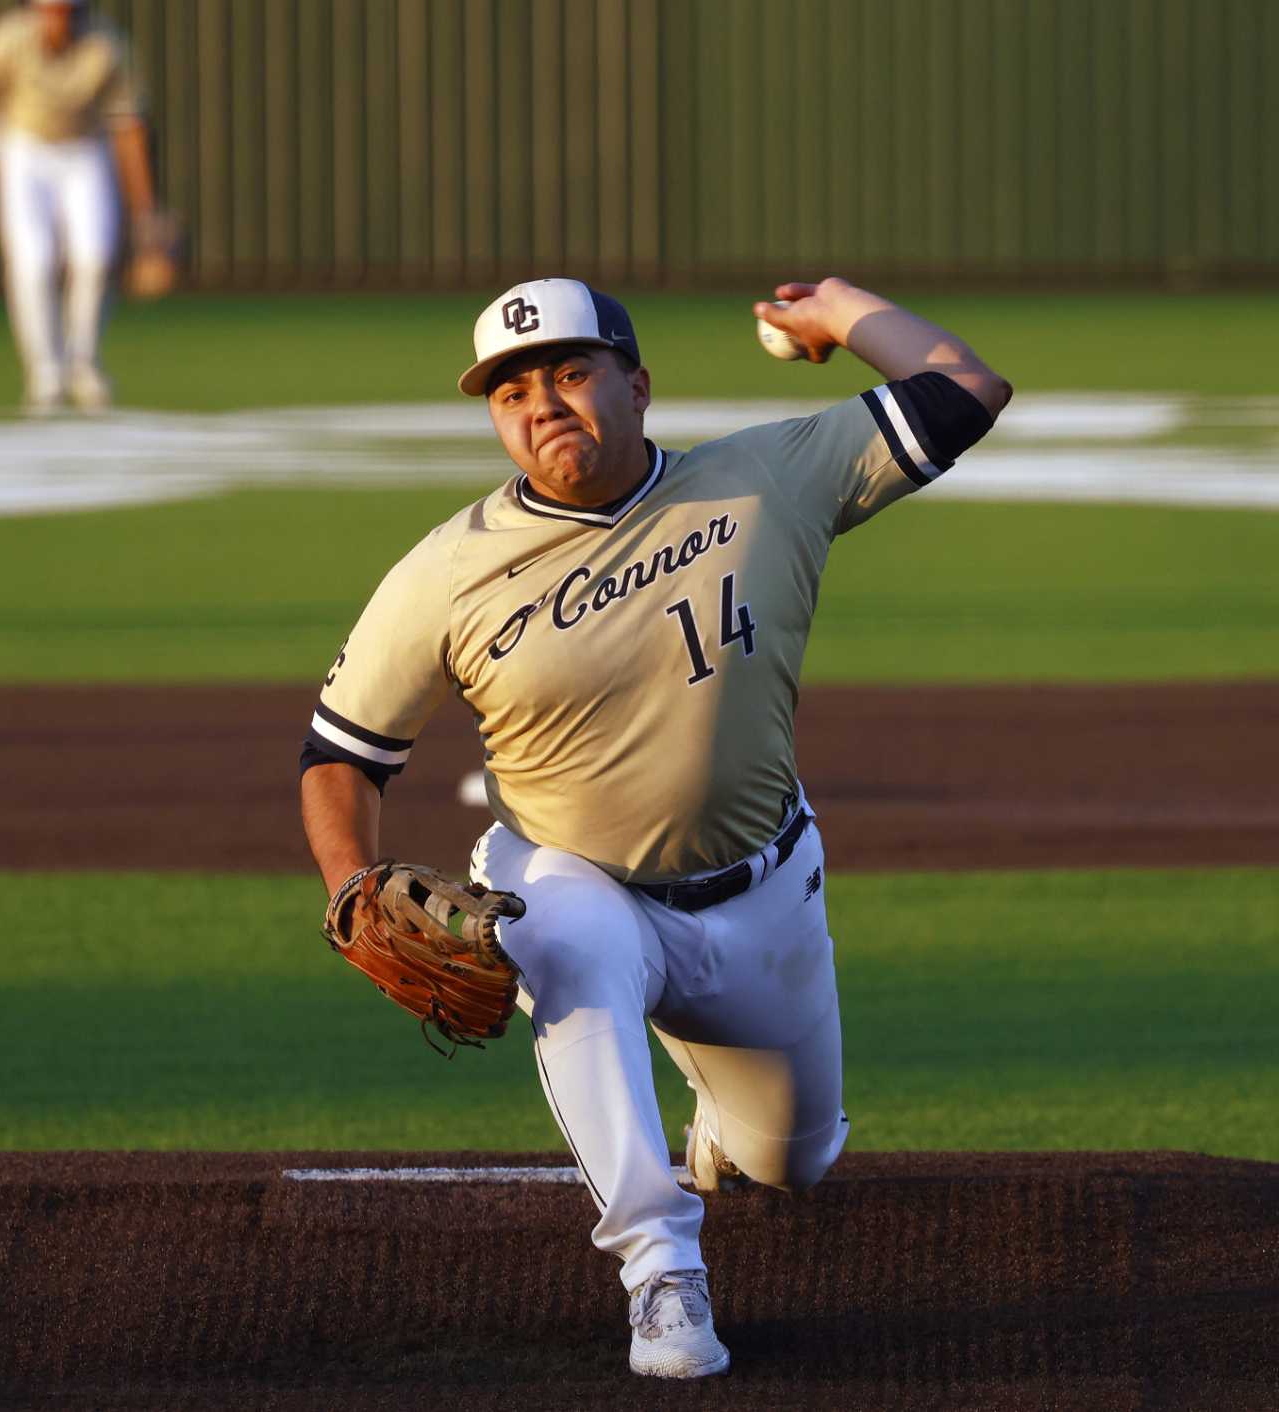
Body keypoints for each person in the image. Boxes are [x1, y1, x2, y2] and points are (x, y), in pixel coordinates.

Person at [298, 277, 1012, 1378]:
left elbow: (965, 387)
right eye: (510, 390)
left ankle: (727, 1123)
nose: (542, 402)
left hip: (762, 894)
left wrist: (837, 308)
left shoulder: (767, 478)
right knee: (562, 933)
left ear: (636, 383)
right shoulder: (445, 571)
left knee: (793, 1159)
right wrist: (350, 888)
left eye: (570, 371)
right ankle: (658, 1267)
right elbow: (341, 755)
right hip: (575, 878)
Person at [0, 0, 162, 414]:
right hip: (24, 150)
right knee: (33, 262)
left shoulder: (106, 45)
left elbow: (128, 124)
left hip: (85, 151)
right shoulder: (2, 42)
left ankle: (84, 363)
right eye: (50, 11)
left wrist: (145, 210)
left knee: (94, 257)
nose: (58, 20)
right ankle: (44, 373)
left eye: (67, 12)